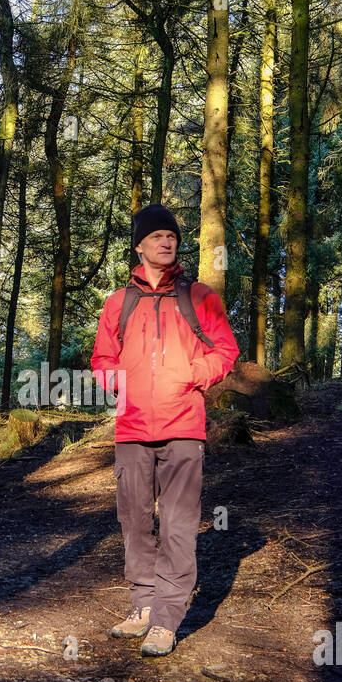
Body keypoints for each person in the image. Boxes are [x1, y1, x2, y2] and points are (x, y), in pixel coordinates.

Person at [90, 203, 239, 657]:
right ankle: (142, 606)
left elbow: (226, 349)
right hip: (132, 429)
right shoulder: (119, 302)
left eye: (172, 236)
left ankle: (167, 618)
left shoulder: (200, 297)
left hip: (183, 427)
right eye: (157, 236)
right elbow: (102, 359)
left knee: (177, 524)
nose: (167, 242)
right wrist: (121, 384)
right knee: (134, 522)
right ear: (140, 245)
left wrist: (193, 374)